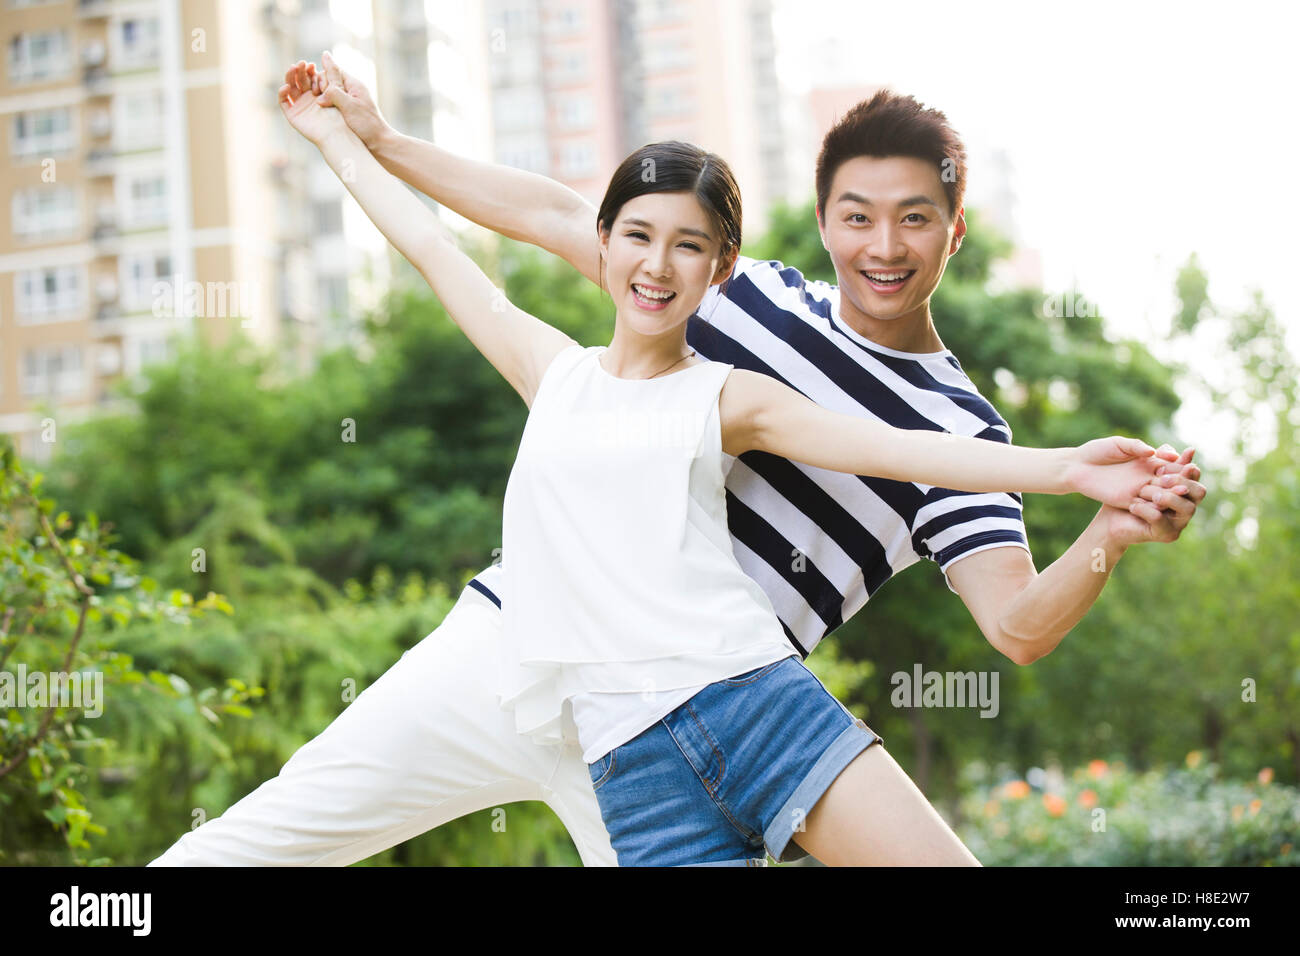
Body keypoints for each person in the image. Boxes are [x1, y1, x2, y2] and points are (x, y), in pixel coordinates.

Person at [148, 59, 1205, 867]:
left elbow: (1014, 624)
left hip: (701, 708)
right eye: (856, 214)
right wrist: (376, 140)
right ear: (825, 217)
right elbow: (543, 222)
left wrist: (1102, 528)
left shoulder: (961, 425)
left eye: (912, 219)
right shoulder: (741, 294)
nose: (882, 244)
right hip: (510, 649)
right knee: (265, 838)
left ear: (953, 232)